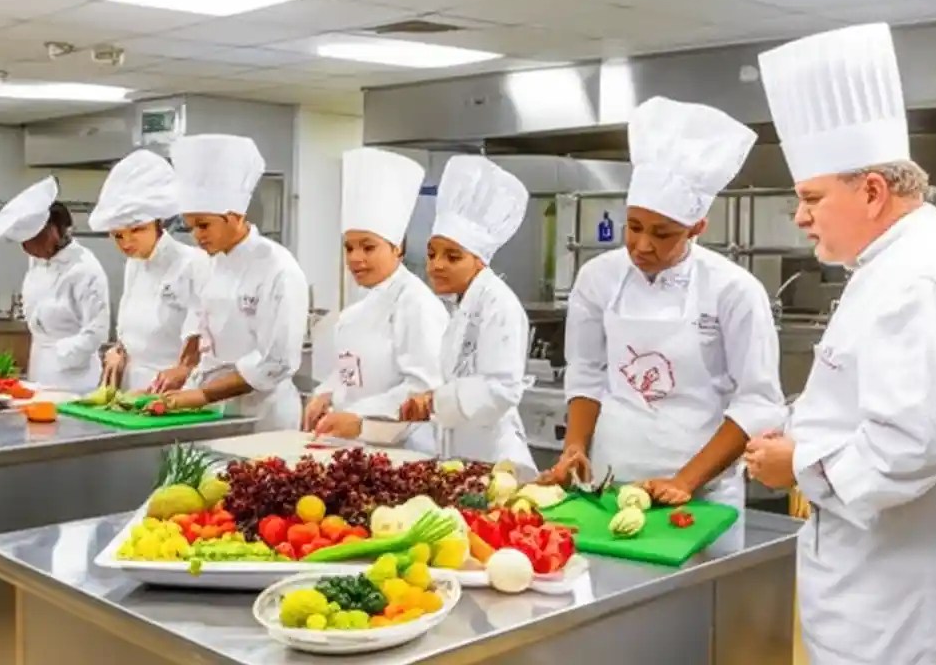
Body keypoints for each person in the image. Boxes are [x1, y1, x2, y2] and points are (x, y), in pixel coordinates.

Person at [744, 22, 936, 665]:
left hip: (902, 618)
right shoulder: (888, 268)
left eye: (812, 197)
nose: (800, 215)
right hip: (869, 600)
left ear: (872, 192)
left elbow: (920, 443)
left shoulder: (922, 277)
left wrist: (800, 463)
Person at [539, 96, 785, 550]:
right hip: (610, 484)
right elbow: (587, 372)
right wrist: (575, 447)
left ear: (697, 227)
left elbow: (758, 401)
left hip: (701, 494)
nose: (642, 245)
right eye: (634, 227)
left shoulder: (733, 289)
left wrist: (685, 481)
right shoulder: (598, 277)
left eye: (663, 233)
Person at [397, 156, 537, 477]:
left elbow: (502, 389)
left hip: (496, 462)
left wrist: (434, 402)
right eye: (432, 255)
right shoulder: (461, 305)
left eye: (452, 256)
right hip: (465, 454)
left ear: (479, 260)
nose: (436, 266)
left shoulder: (498, 304)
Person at [157, 134, 309, 431]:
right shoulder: (204, 263)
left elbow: (276, 361)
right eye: (190, 228)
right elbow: (198, 324)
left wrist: (201, 395)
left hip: (264, 413)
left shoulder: (277, 268)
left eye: (204, 225)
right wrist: (185, 370)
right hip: (213, 409)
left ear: (235, 216)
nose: (197, 236)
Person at [303, 148, 448, 449]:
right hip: (357, 442)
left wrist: (358, 416)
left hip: (407, 448)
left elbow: (423, 387)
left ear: (397, 248)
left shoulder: (416, 304)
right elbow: (349, 370)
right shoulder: (359, 308)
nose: (356, 258)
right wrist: (326, 391)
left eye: (368, 248)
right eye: (349, 247)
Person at [89, 150, 208, 393]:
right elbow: (132, 329)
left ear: (158, 223)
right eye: (118, 235)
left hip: (172, 392)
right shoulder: (134, 266)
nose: (126, 242)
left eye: (136, 230)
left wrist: (182, 373)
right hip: (131, 389)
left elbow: (200, 342)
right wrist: (118, 351)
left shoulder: (192, 264)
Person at [0, 176, 109, 392]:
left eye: (33, 242)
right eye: (23, 245)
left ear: (54, 231)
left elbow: (97, 331)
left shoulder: (84, 269)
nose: (28, 250)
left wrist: (61, 354)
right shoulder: (37, 262)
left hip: (75, 380)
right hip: (39, 371)